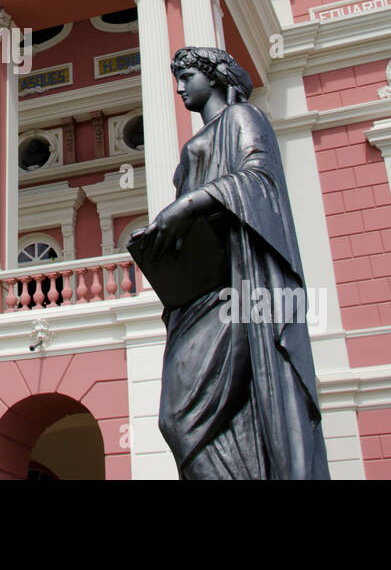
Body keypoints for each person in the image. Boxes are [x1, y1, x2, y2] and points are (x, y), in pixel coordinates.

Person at [128, 46, 329, 479]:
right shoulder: (195, 141)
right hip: (197, 294)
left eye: (187, 76)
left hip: (240, 290)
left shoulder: (243, 118)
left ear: (215, 77)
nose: (180, 87)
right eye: (177, 78)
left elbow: (260, 177)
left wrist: (188, 206)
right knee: (179, 420)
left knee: (181, 417)